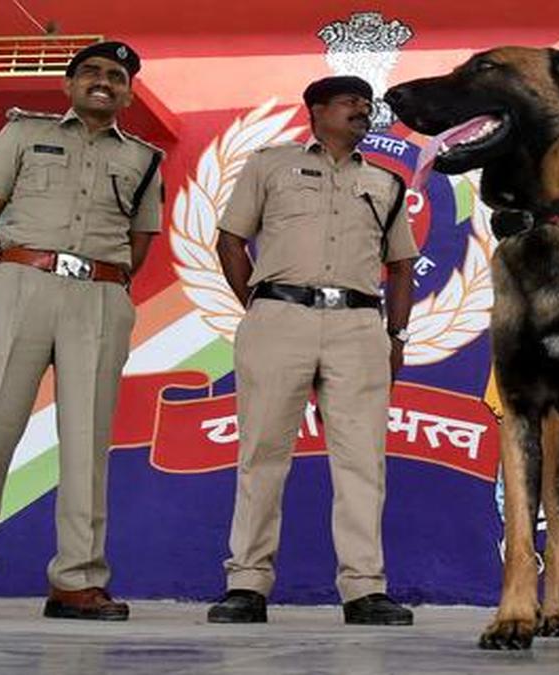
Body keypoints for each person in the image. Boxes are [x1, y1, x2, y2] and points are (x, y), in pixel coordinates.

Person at [0, 41, 163, 621]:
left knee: (87, 443)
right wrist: (4, 278)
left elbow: (141, 239)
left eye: (117, 76)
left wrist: (107, 285)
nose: (104, 82)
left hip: (99, 297)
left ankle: (77, 581)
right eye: (92, 73)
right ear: (69, 84)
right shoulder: (23, 134)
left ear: (128, 93)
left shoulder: (145, 159)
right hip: (21, 284)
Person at [208, 75, 418, 626]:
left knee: (362, 462)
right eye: (350, 102)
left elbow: (400, 266)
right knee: (262, 455)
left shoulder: (387, 182)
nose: (362, 110)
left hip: (358, 325)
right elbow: (230, 239)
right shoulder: (268, 164)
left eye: (366, 104)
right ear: (316, 110)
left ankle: (364, 589)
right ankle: (247, 585)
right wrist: (259, 304)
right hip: (280, 317)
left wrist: (396, 335)